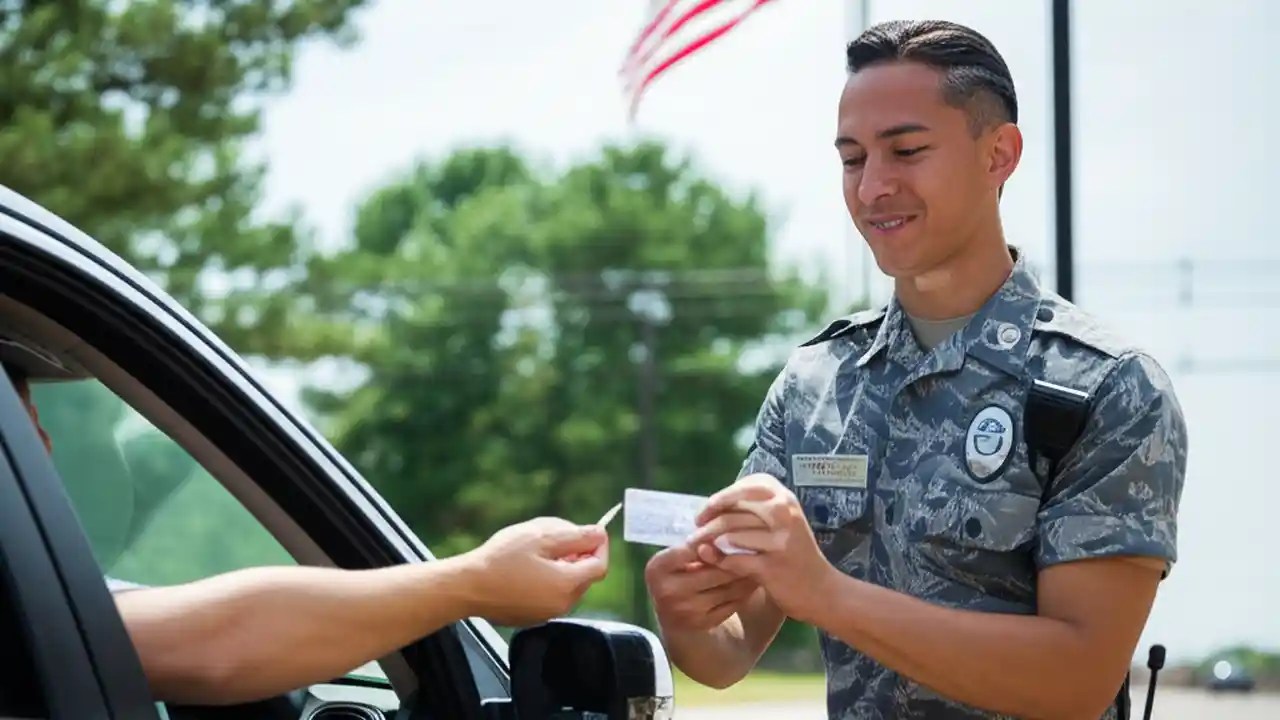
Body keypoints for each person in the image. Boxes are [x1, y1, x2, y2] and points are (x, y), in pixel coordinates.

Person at [645, 19, 1186, 720]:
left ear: (999, 154)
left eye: (906, 150)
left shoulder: (1103, 387)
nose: (872, 188)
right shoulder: (816, 389)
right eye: (851, 159)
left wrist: (831, 596)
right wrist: (689, 618)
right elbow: (731, 650)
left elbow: (1078, 679)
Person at [0, 343, 610, 707]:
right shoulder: (30, 613)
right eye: (18, 427)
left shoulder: (39, 596)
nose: (41, 447)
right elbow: (216, 640)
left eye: (28, 422)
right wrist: (473, 583)